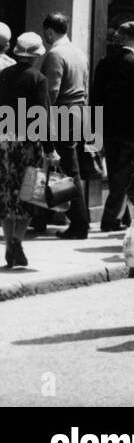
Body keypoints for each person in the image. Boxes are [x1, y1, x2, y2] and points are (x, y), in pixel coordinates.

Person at [92, 22, 134, 234]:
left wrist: (95, 129)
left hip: (107, 127)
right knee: (121, 174)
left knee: (117, 171)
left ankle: (122, 217)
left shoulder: (104, 62)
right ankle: (109, 219)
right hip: (129, 130)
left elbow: (96, 98)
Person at [0, 33, 51, 267]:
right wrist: (51, 149)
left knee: (7, 195)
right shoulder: (38, 79)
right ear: (36, 56)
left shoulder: (3, 76)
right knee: (29, 193)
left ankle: (10, 242)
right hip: (29, 144)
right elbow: (43, 118)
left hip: (4, 141)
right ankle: (17, 241)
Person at [39, 13, 91, 239]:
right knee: (58, 167)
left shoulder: (55, 54)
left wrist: (44, 122)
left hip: (62, 113)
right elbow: (86, 86)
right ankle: (40, 217)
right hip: (79, 111)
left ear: (50, 31)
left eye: (45, 33)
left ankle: (80, 223)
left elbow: (51, 92)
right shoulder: (79, 53)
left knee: (68, 170)